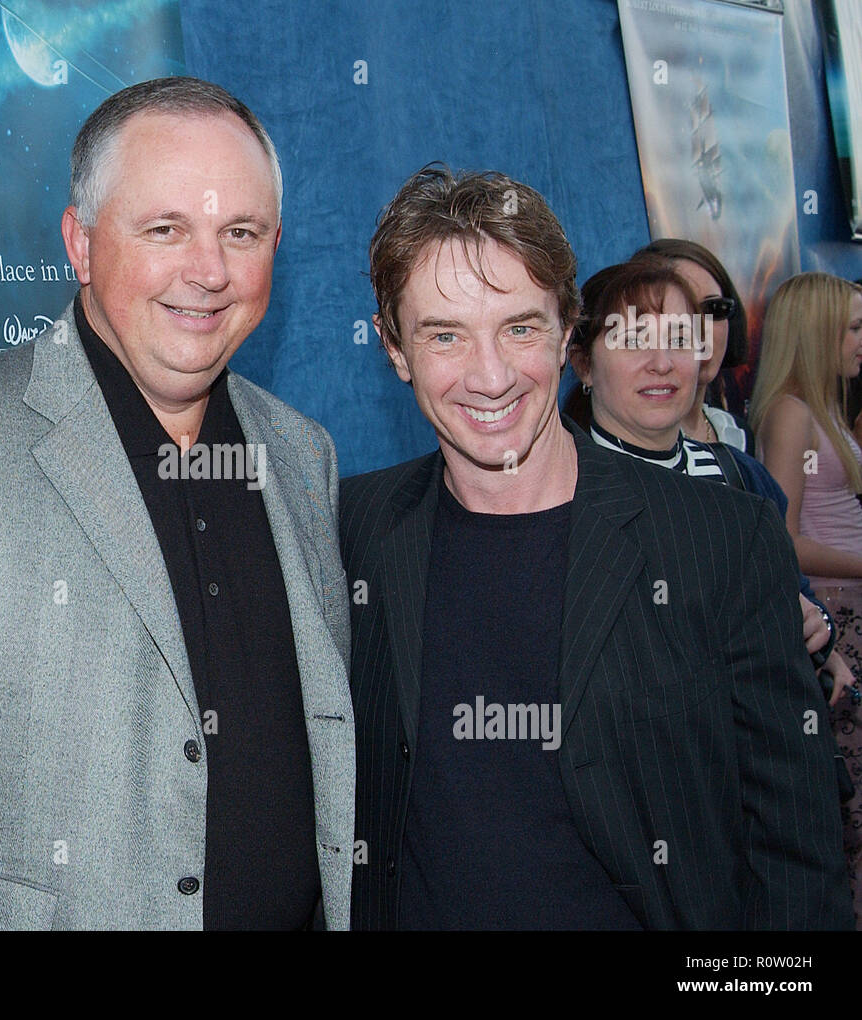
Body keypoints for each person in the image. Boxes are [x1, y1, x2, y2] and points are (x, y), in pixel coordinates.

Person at [0, 77, 354, 931]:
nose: (208, 272)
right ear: (82, 243)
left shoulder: (302, 455)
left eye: (239, 233)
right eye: (165, 229)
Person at [341, 163, 852, 930]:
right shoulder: (347, 531)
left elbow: (796, 850)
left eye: (519, 327)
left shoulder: (720, 539)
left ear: (566, 326)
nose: (489, 376)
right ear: (394, 348)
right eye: (444, 334)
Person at [564, 256, 855, 708]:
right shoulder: (558, 496)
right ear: (583, 364)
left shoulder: (741, 477)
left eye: (679, 338)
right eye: (633, 339)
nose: (661, 363)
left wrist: (818, 628)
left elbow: (799, 600)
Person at [750, 271, 862, 925]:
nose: (860, 340)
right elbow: (784, 541)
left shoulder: (826, 414)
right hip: (836, 622)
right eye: (851, 326)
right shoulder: (793, 416)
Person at [635, 238, 752, 449]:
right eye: (681, 312)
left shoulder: (737, 434)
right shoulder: (621, 447)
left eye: (715, 308)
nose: (700, 329)